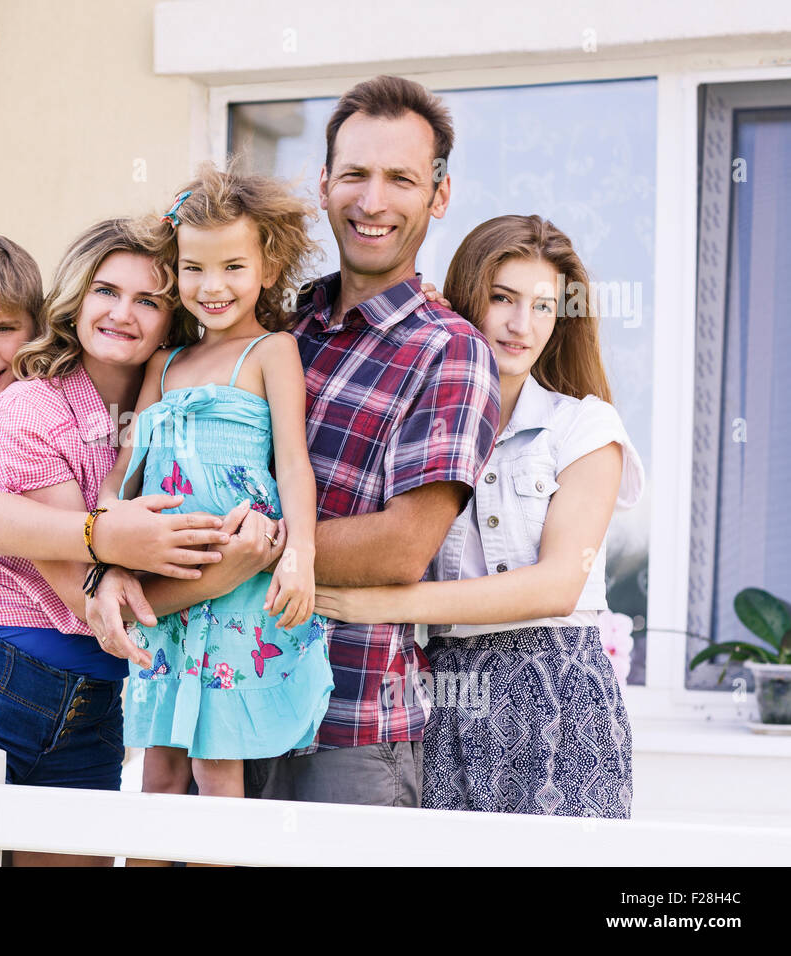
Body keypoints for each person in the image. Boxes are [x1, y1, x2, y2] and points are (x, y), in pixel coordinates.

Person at [88, 75, 500, 809]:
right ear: (323, 184)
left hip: (347, 725)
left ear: (438, 196)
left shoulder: (449, 350)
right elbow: (145, 445)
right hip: (204, 677)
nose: (372, 200)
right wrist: (110, 559)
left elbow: (403, 547)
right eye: (355, 175)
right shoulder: (268, 320)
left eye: (400, 179)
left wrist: (256, 545)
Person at [0, 219, 280, 867]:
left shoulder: (182, 422)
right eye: (106, 290)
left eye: (148, 300)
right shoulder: (28, 410)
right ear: (76, 301)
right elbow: (96, 606)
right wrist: (235, 567)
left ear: (172, 317)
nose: (122, 313)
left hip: (95, 709)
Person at [316, 214, 644, 818]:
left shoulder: (585, 426)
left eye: (543, 307)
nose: (522, 325)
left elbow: (557, 584)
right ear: (470, 298)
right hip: (440, 692)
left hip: (557, 696)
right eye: (502, 299)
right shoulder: (426, 422)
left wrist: (384, 603)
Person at [96, 165, 334, 828]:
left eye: (233, 266)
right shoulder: (163, 364)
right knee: (158, 769)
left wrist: (301, 555)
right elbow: (125, 467)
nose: (213, 286)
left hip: (236, 583)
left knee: (216, 766)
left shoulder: (270, 351)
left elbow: (293, 462)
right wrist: (109, 533)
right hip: (166, 570)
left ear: (269, 262)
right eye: (195, 268)